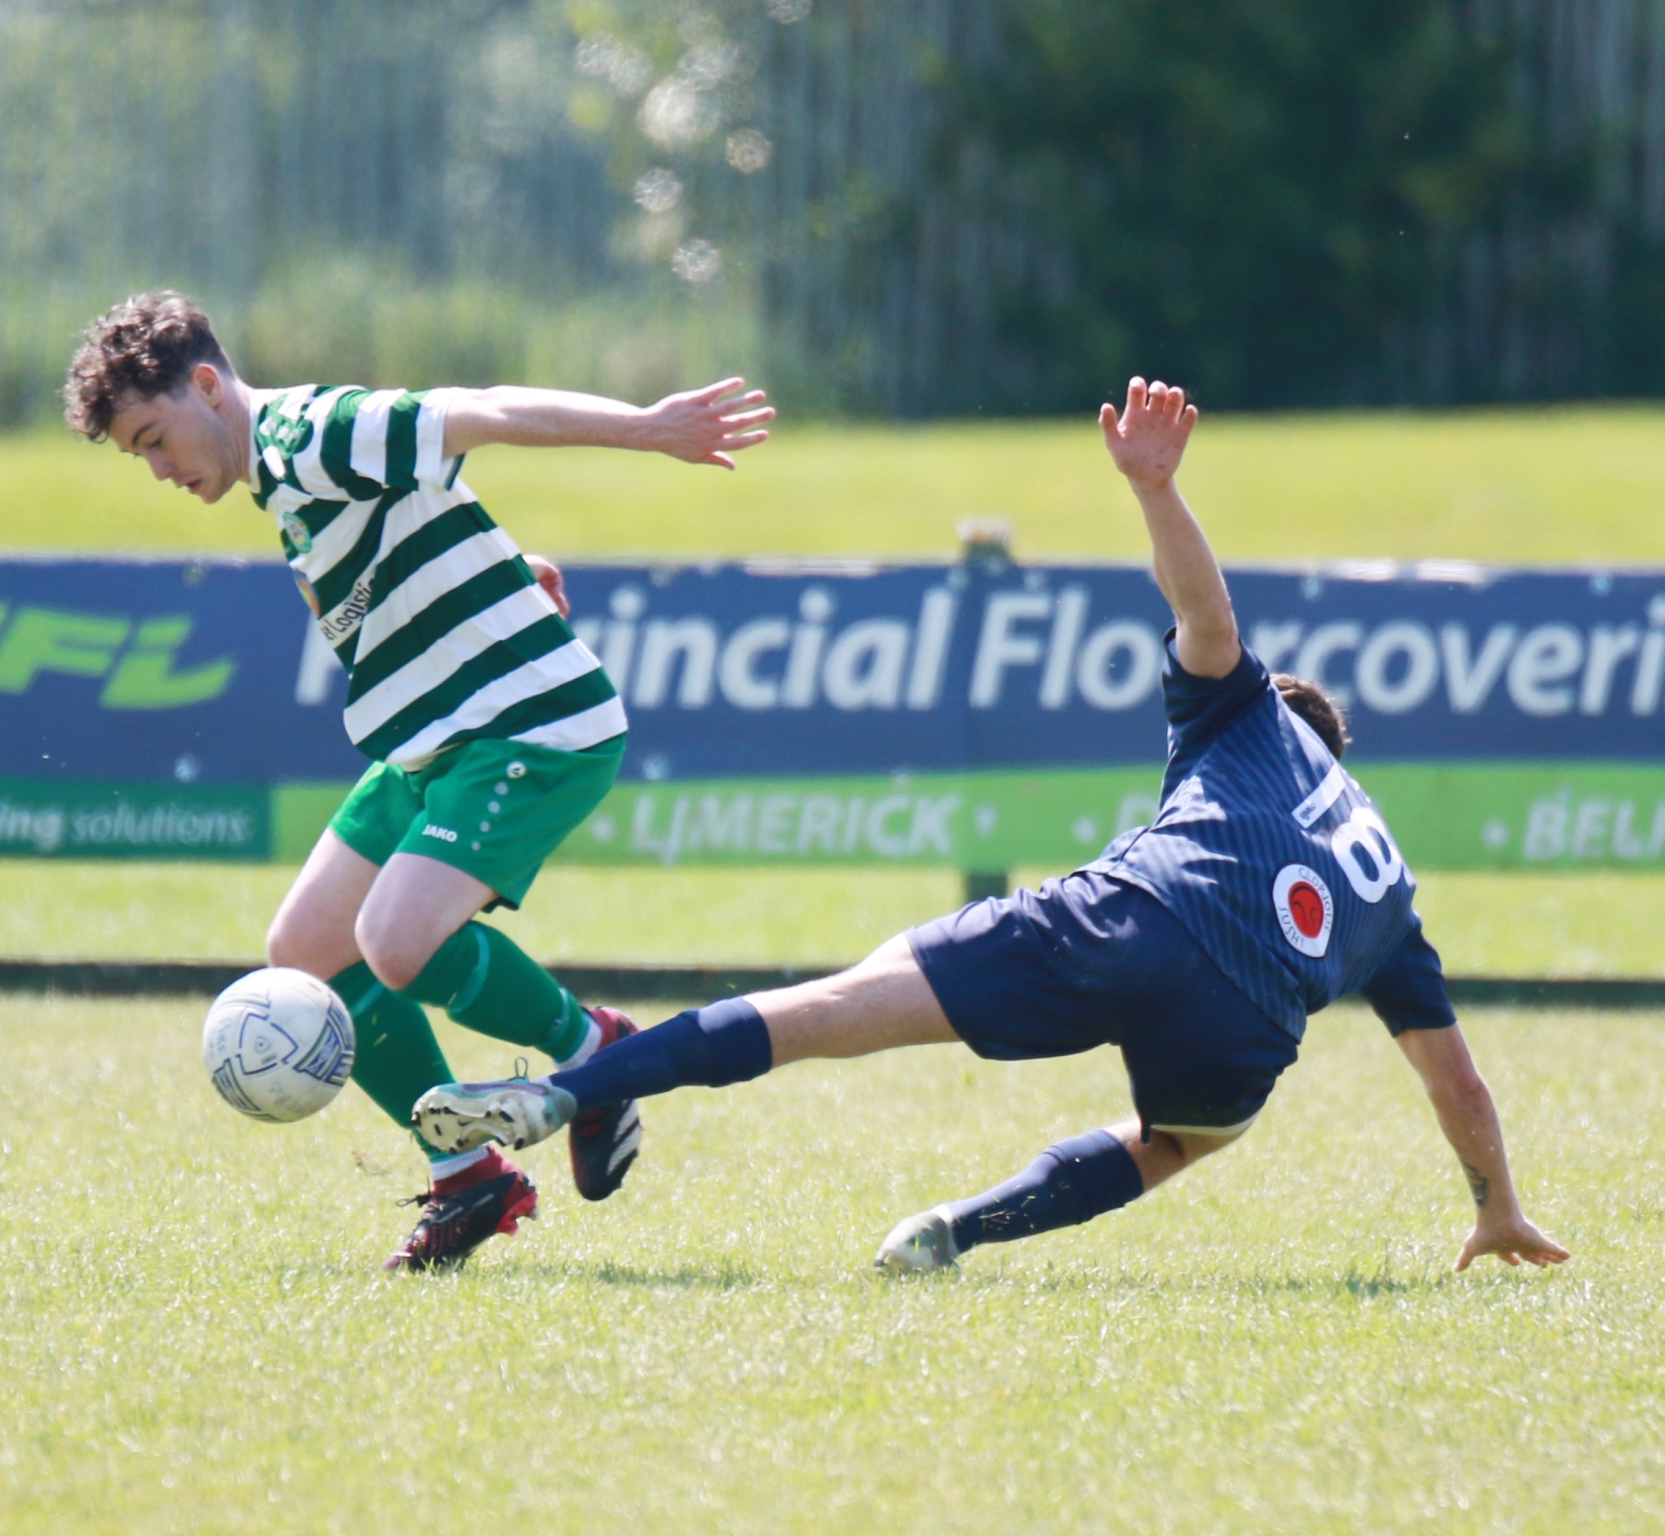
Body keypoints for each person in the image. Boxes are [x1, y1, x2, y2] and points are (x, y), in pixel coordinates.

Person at [412, 375, 1570, 1277]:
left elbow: (1206, 619)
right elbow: (1456, 1083)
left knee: (828, 1012)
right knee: (1179, 1143)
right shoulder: (1394, 892)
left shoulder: (1247, 718)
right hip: (1247, 1024)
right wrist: (1498, 1207)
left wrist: (1157, 490)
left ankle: (569, 1090)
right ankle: (954, 1233)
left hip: (1140, 915)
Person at [63, 291, 772, 1271]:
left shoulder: (312, 432)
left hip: (528, 725)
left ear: (208, 386)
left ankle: (593, 1052)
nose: (157, 470)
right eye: (136, 454)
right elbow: (406, 540)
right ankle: (469, 1178)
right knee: (306, 948)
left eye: (152, 438)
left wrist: (650, 430)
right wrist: (499, 570)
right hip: (437, 740)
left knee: (394, 945)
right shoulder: (277, 478)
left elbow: (486, 409)